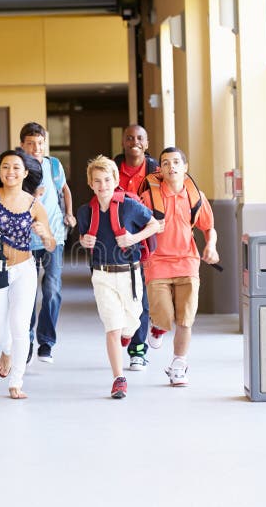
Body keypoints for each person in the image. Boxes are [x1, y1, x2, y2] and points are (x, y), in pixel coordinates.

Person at [0, 150, 55, 399]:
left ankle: (16, 381)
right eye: (6, 167)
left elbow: (50, 244)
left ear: (25, 173)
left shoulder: (34, 204)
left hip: (24, 269)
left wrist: (44, 234)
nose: (11, 172)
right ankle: (5, 351)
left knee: (20, 325)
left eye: (16, 168)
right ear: (0, 171)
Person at [77, 156, 158, 398]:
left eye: (107, 180)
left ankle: (127, 335)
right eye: (97, 181)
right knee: (112, 327)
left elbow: (154, 225)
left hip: (129, 274)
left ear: (115, 180)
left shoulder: (130, 206)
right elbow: (84, 236)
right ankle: (118, 378)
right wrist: (83, 240)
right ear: (91, 184)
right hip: (102, 275)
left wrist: (134, 238)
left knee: (131, 323)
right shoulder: (85, 211)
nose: (102, 185)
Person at [140, 147, 219, 387]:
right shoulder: (149, 198)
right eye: (166, 163)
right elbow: (135, 226)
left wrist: (211, 246)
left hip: (188, 263)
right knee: (163, 316)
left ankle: (178, 365)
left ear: (185, 168)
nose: (171, 167)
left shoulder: (196, 197)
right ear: (160, 170)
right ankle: (158, 326)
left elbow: (209, 227)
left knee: (185, 320)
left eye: (176, 162)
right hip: (157, 264)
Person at [19, 122, 76, 364]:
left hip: (55, 236)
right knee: (28, 293)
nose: (36, 148)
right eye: (30, 143)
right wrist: (34, 197)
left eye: (40, 143)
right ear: (22, 145)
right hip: (26, 239)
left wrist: (69, 213)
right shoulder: (18, 168)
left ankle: (46, 342)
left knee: (52, 289)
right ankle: (27, 340)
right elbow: (14, 201)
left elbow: (65, 190)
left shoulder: (53, 165)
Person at [113, 124, 160, 372]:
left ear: (147, 142)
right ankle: (127, 334)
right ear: (123, 142)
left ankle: (138, 350)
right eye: (129, 137)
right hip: (116, 244)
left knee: (140, 296)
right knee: (121, 297)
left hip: (146, 241)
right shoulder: (112, 169)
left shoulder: (156, 171)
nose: (134, 141)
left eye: (139, 138)